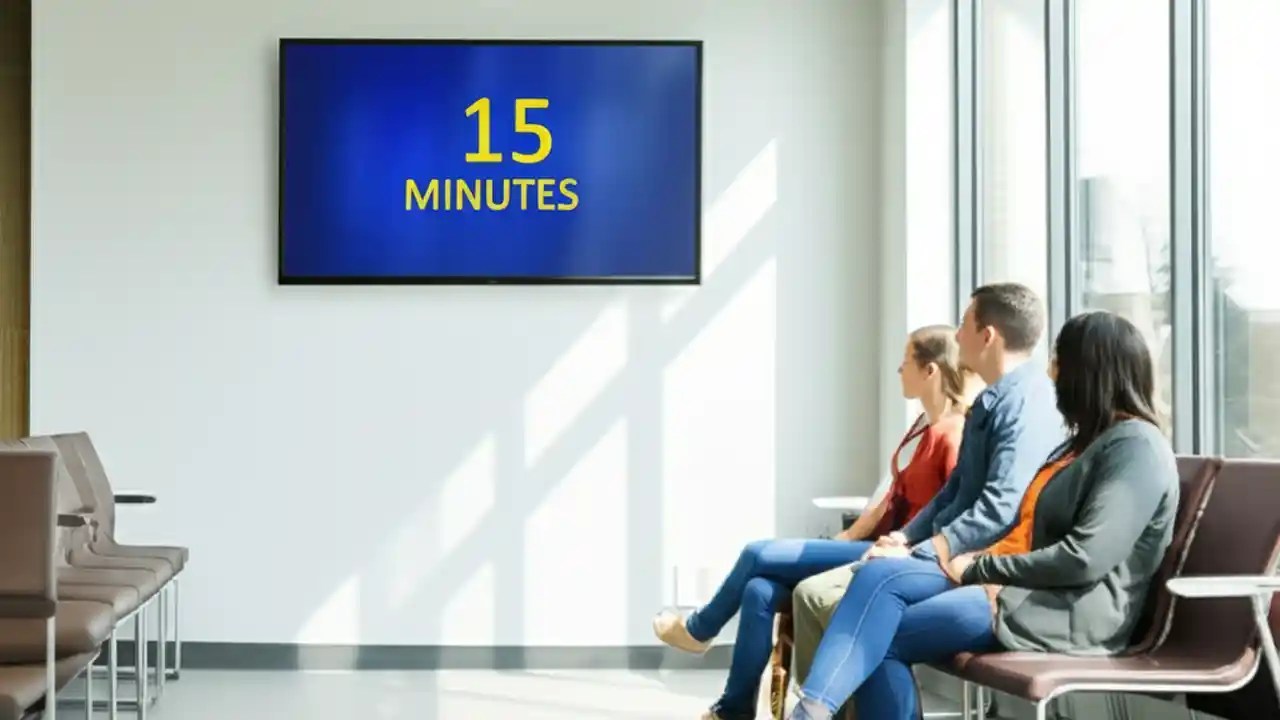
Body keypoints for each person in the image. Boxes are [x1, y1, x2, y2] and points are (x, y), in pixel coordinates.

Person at [788, 311, 1180, 720]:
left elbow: (1084, 558)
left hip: (1068, 613)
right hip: (1021, 591)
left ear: (1089, 372)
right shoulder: (1083, 444)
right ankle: (813, 709)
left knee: (881, 640)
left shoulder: (1136, 448)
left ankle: (811, 711)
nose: (1050, 374)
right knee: (878, 581)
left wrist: (981, 567)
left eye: (1058, 362)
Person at [651, 325, 976, 720]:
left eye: (906, 362)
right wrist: (848, 536)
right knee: (757, 590)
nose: (898, 370)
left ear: (931, 371)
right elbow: (888, 501)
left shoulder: (953, 434)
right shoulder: (921, 429)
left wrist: (898, 545)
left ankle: (699, 630)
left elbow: (955, 512)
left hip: (899, 556)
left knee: (757, 552)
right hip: (875, 543)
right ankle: (732, 711)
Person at [789, 282, 1065, 688]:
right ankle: (816, 708)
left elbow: (999, 507)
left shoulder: (1024, 405)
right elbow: (952, 493)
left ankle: (815, 708)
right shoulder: (994, 401)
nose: (956, 336)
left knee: (864, 592)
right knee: (837, 587)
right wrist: (906, 538)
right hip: (956, 555)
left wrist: (925, 550)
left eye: (964, 325)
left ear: (987, 336)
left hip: (985, 568)